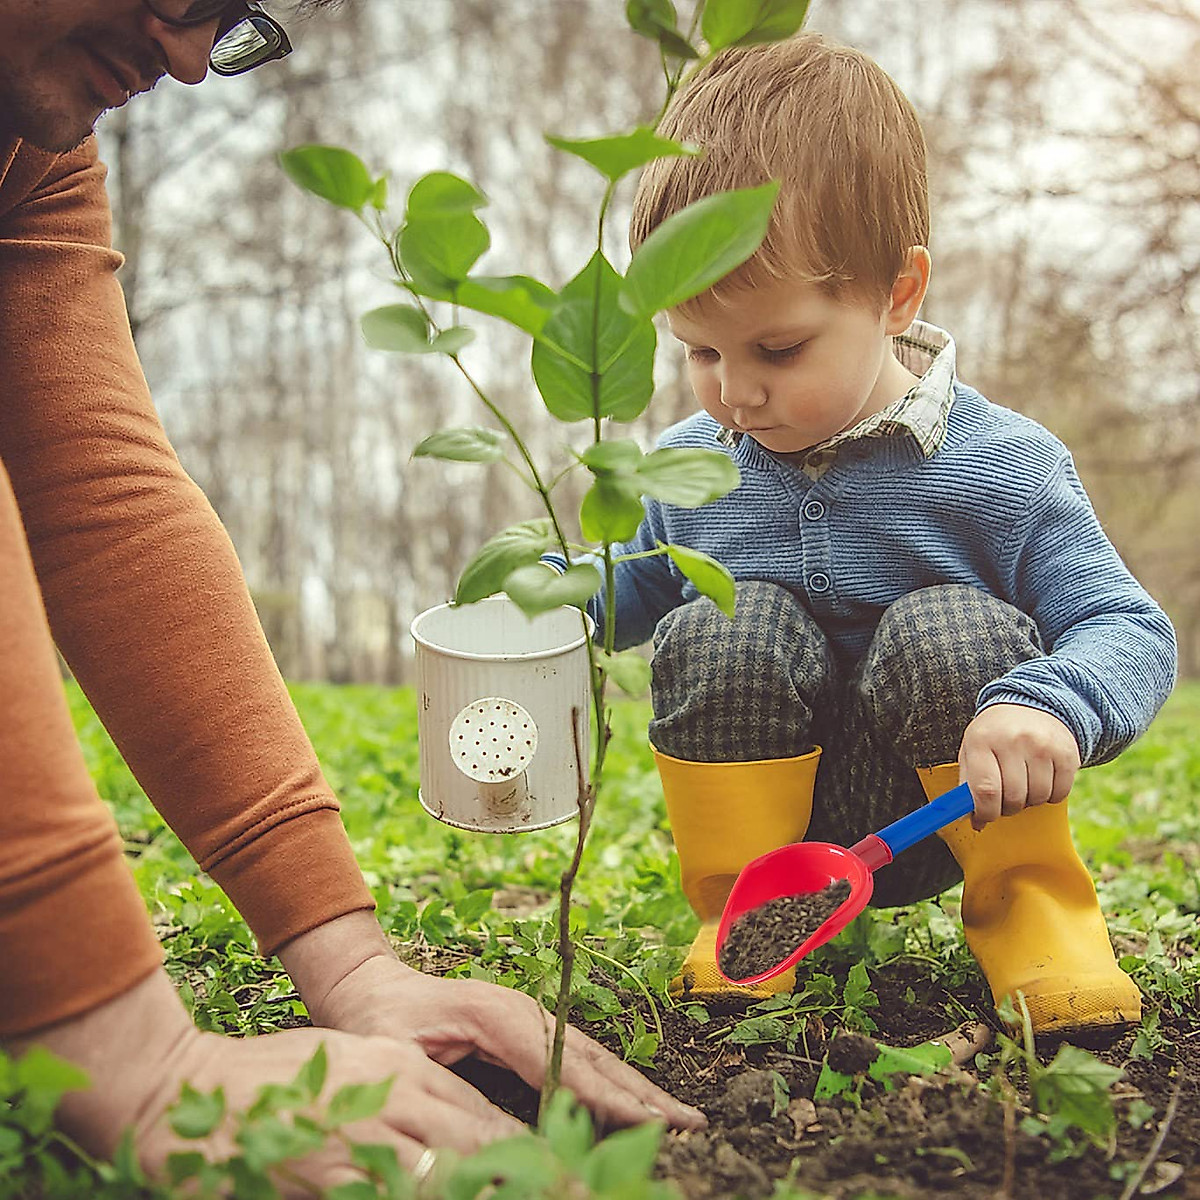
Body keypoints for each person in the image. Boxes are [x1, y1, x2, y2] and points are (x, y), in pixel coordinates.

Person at [0, 0, 705, 1190]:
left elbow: (98, 490)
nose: (186, 56)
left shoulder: (34, 143)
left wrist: (350, 963)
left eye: (232, 18)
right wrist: (122, 1042)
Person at [568, 34, 1177, 1035]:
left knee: (946, 626)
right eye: (700, 353)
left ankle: (1033, 914)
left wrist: (1054, 706)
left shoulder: (1005, 468)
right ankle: (748, 920)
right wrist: (544, 594)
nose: (736, 392)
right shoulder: (691, 463)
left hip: (950, 808)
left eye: (777, 347)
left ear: (897, 296)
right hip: (775, 820)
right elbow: (624, 586)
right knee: (723, 617)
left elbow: (1129, 626)